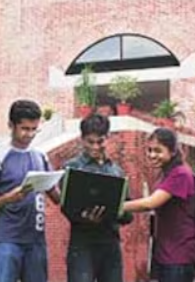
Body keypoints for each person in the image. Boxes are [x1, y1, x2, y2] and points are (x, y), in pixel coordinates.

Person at [0, 99, 60, 282]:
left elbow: (57, 197)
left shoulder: (40, 156)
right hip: (7, 240)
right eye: (24, 129)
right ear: (11, 125)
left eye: (34, 129)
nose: (29, 134)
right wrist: (7, 198)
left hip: (36, 241)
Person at [122, 128, 195, 282]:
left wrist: (117, 205)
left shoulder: (180, 174)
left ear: (172, 152)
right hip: (166, 252)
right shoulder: (165, 173)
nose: (152, 155)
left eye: (158, 151)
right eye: (149, 150)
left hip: (180, 253)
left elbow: (151, 203)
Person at [60, 114, 132, 282]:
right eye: (90, 142)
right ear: (82, 139)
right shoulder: (72, 168)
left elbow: (128, 214)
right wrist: (84, 217)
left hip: (110, 242)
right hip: (82, 243)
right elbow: (66, 208)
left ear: (108, 137)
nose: (95, 147)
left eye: (100, 142)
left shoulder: (117, 172)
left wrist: (117, 211)